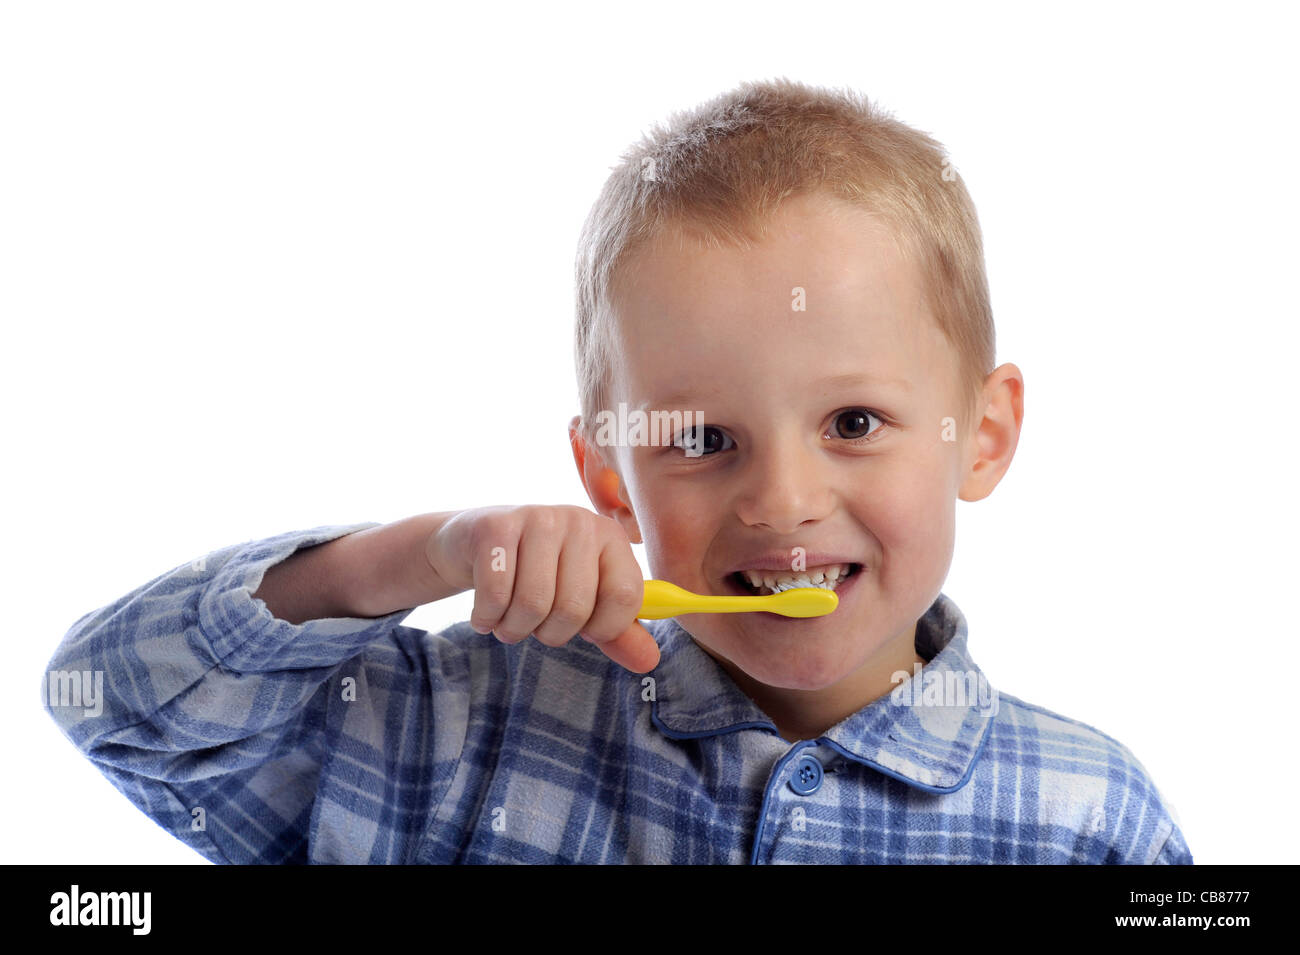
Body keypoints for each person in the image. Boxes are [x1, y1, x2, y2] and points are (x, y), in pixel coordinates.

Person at [43, 77, 1192, 864]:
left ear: (980, 435)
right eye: (699, 439)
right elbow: (118, 703)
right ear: (606, 472)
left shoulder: (1089, 819)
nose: (783, 501)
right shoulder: (463, 729)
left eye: (851, 420)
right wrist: (423, 553)